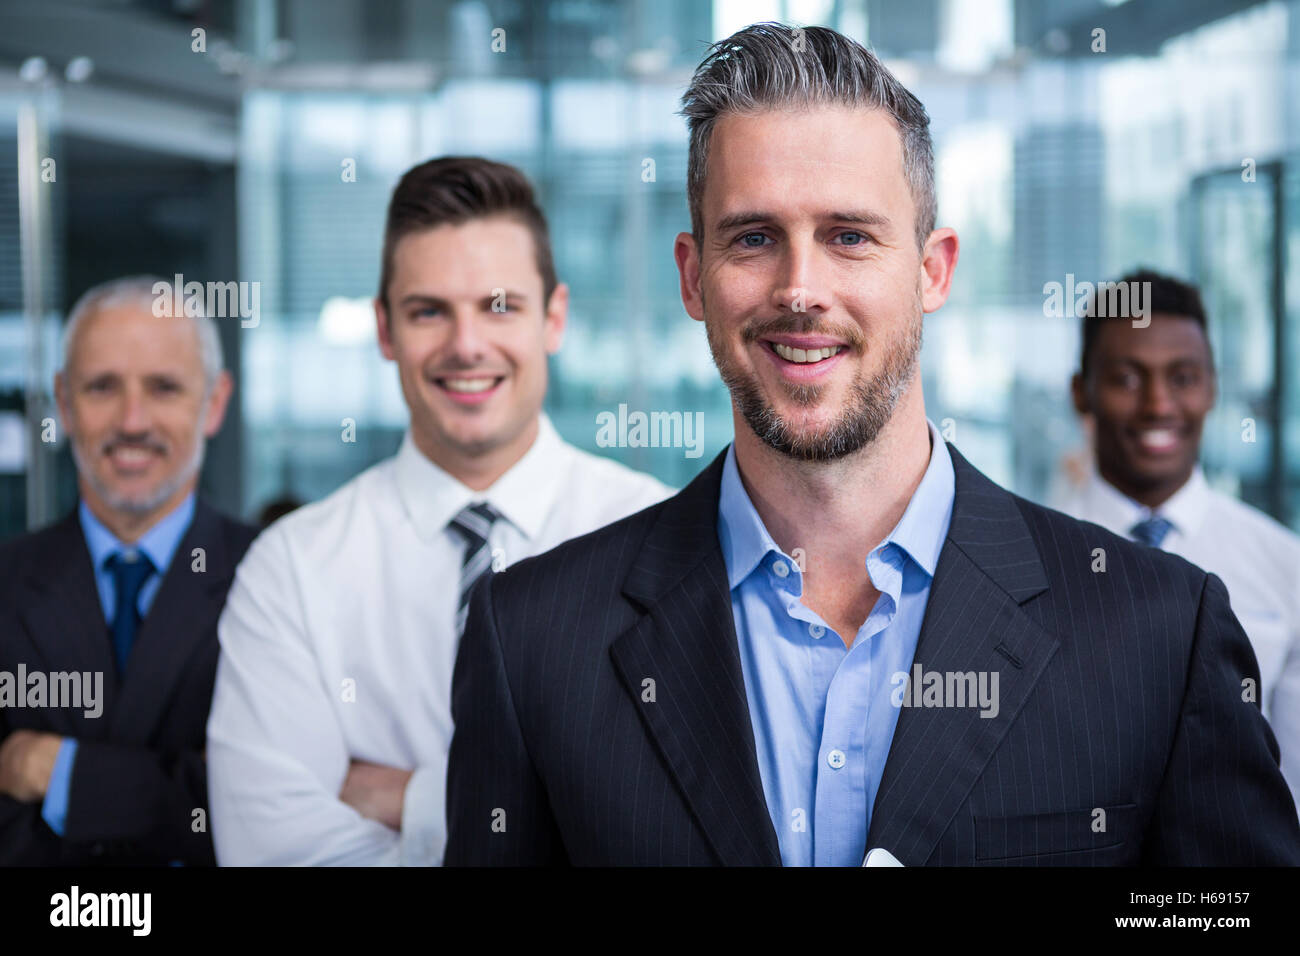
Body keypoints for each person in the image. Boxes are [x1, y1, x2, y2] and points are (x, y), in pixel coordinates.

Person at [443, 23, 1300, 866]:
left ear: (933, 270)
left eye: (849, 236)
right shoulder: (533, 640)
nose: (800, 290)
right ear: (693, 276)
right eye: (754, 237)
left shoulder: (1158, 631)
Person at [206, 155, 672, 865]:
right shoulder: (291, 569)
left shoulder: (658, 536)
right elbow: (272, 852)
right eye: (429, 312)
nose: (466, 346)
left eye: (499, 306)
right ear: (385, 329)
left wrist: (417, 801)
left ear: (553, 318)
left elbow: (667, 829)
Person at [0, 276, 256, 865]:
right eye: (102, 387)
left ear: (215, 402)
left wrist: (61, 772)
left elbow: (276, 810)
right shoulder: (6, 583)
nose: (133, 421)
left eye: (164, 387)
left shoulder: (277, 578)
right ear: (64, 403)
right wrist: (186, 785)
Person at [1058, 267, 1300, 808]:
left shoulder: (1287, 568)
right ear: (1081, 392)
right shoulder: (1026, 559)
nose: (1159, 405)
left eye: (1183, 378)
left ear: (1212, 387)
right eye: (1127, 379)